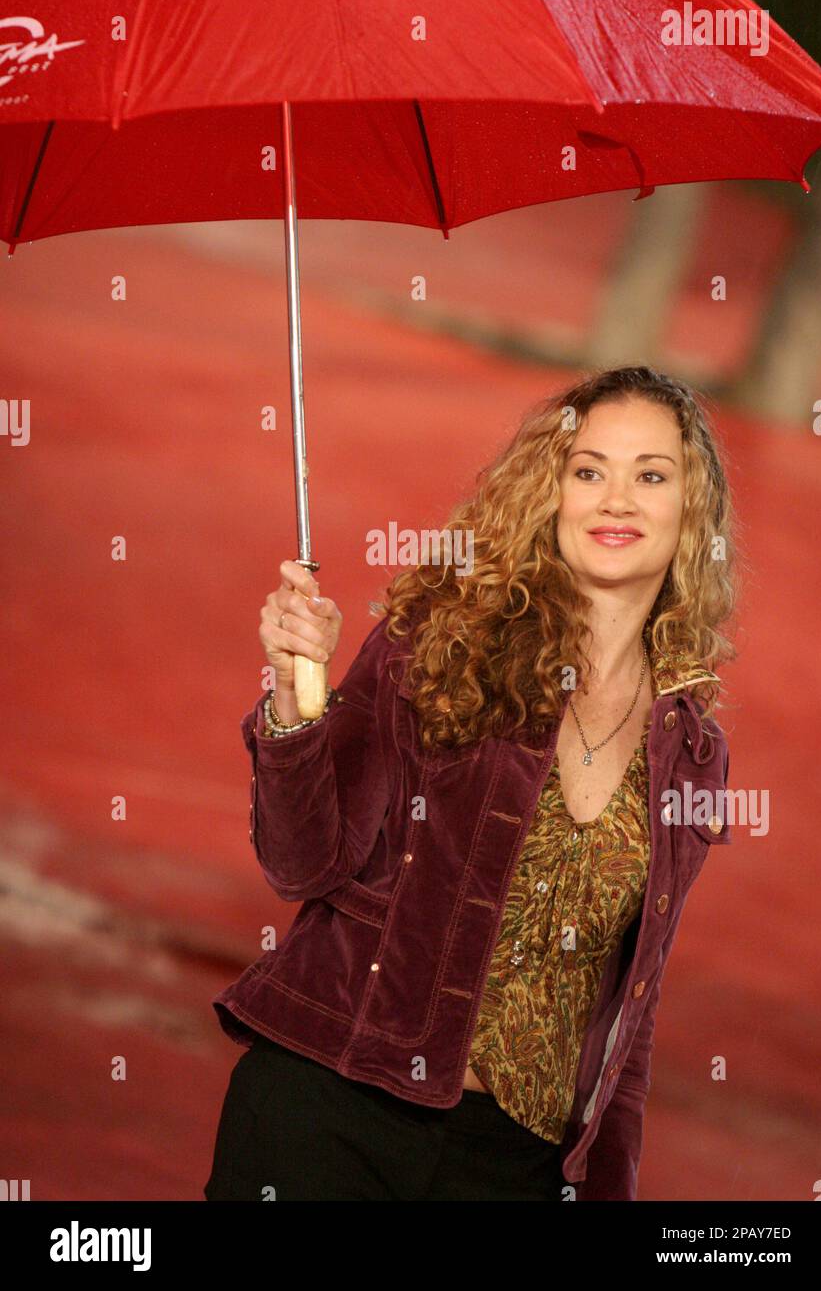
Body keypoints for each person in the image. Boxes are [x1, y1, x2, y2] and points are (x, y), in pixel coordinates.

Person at [204, 364, 737, 1201]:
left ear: (689, 509)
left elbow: (628, 1014)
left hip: (514, 1164)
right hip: (332, 1106)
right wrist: (292, 699)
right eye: (587, 470)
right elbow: (302, 864)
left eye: (651, 475)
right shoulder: (440, 636)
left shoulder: (692, 750)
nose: (616, 500)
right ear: (547, 489)